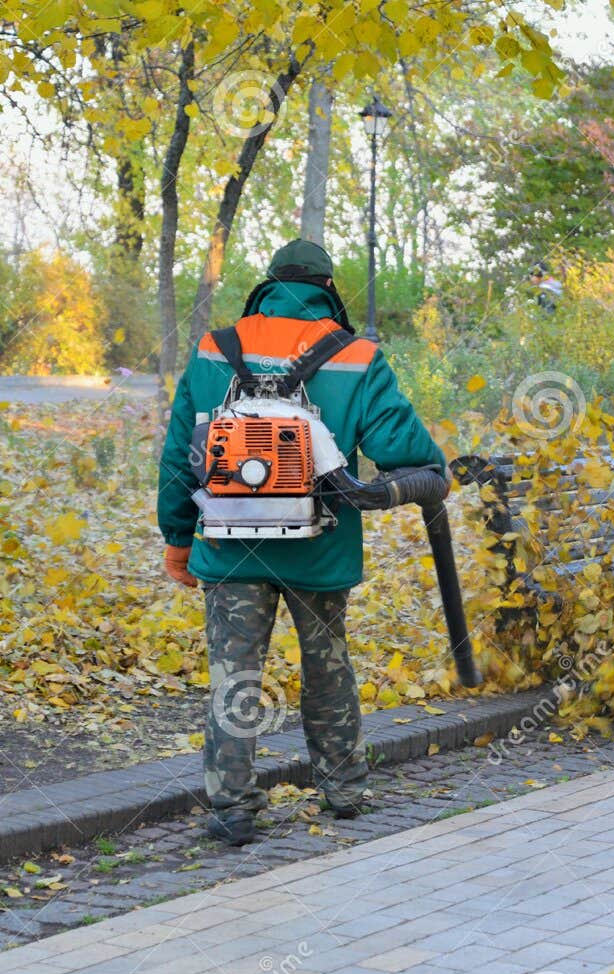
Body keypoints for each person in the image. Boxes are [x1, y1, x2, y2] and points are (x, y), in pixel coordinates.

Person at [157, 239, 444, 847]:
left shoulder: (216, 347)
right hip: (323, 545)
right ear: (327, 288)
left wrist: (178, 538)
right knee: (327, 664)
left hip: (230, 546)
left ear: (268, 284)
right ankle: (342, 789)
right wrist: (428, 474)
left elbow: (180, 452)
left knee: (234, 674)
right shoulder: (358, 354)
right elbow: (407, 454)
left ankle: (232, 806)